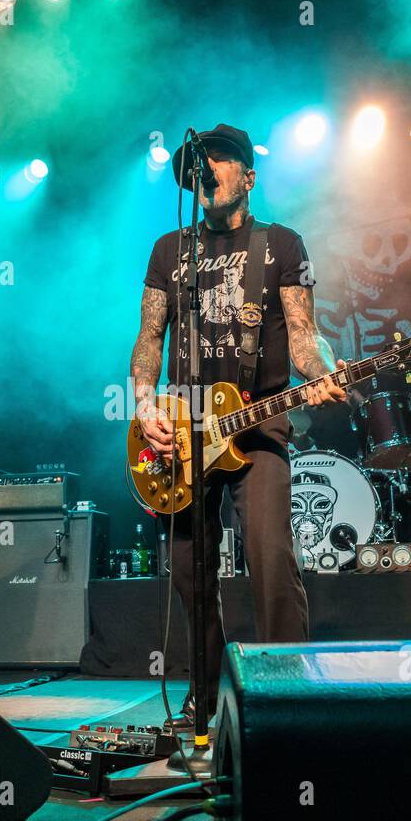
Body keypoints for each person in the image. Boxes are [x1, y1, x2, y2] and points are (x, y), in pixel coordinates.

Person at [130, 124, 346, 730]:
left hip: (258, 428)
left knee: (271, 562)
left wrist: (323, 372)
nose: (207, 171)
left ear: (248, 176)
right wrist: (145, 406)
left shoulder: (281, 244)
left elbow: (303, 334)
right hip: (183, 433)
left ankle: (287, 697)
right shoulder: (169, 250)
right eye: (199, 163)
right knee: (189, 575)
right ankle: (204, 699)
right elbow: (150, 340)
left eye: (219, 161)